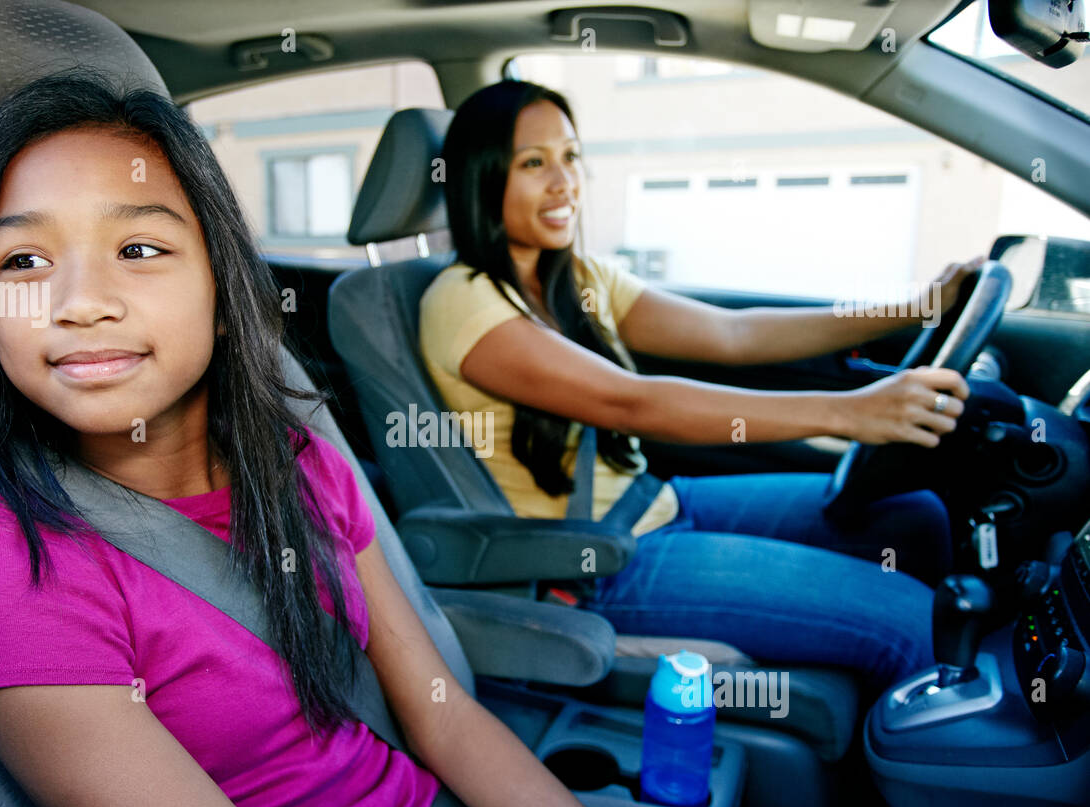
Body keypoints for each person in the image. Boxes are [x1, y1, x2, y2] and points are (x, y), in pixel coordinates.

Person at [0, 69, 668, 807]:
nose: (78, 301)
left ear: (226, 296)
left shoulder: (299, 465)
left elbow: (442, 720)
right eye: (23, 262)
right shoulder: (19, 587)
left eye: (140, 249)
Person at [420, 79, 988, 691]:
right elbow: (630, 401)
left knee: (913, 518)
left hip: (656, 504)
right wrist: (849, 412)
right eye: (534, 164)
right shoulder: (461, 302)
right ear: (481, 178)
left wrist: (917, 306)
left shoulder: (577, 278)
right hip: (594, 561)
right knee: (914, 625)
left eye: (571, 156)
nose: (565, 183)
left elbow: (735, 335)